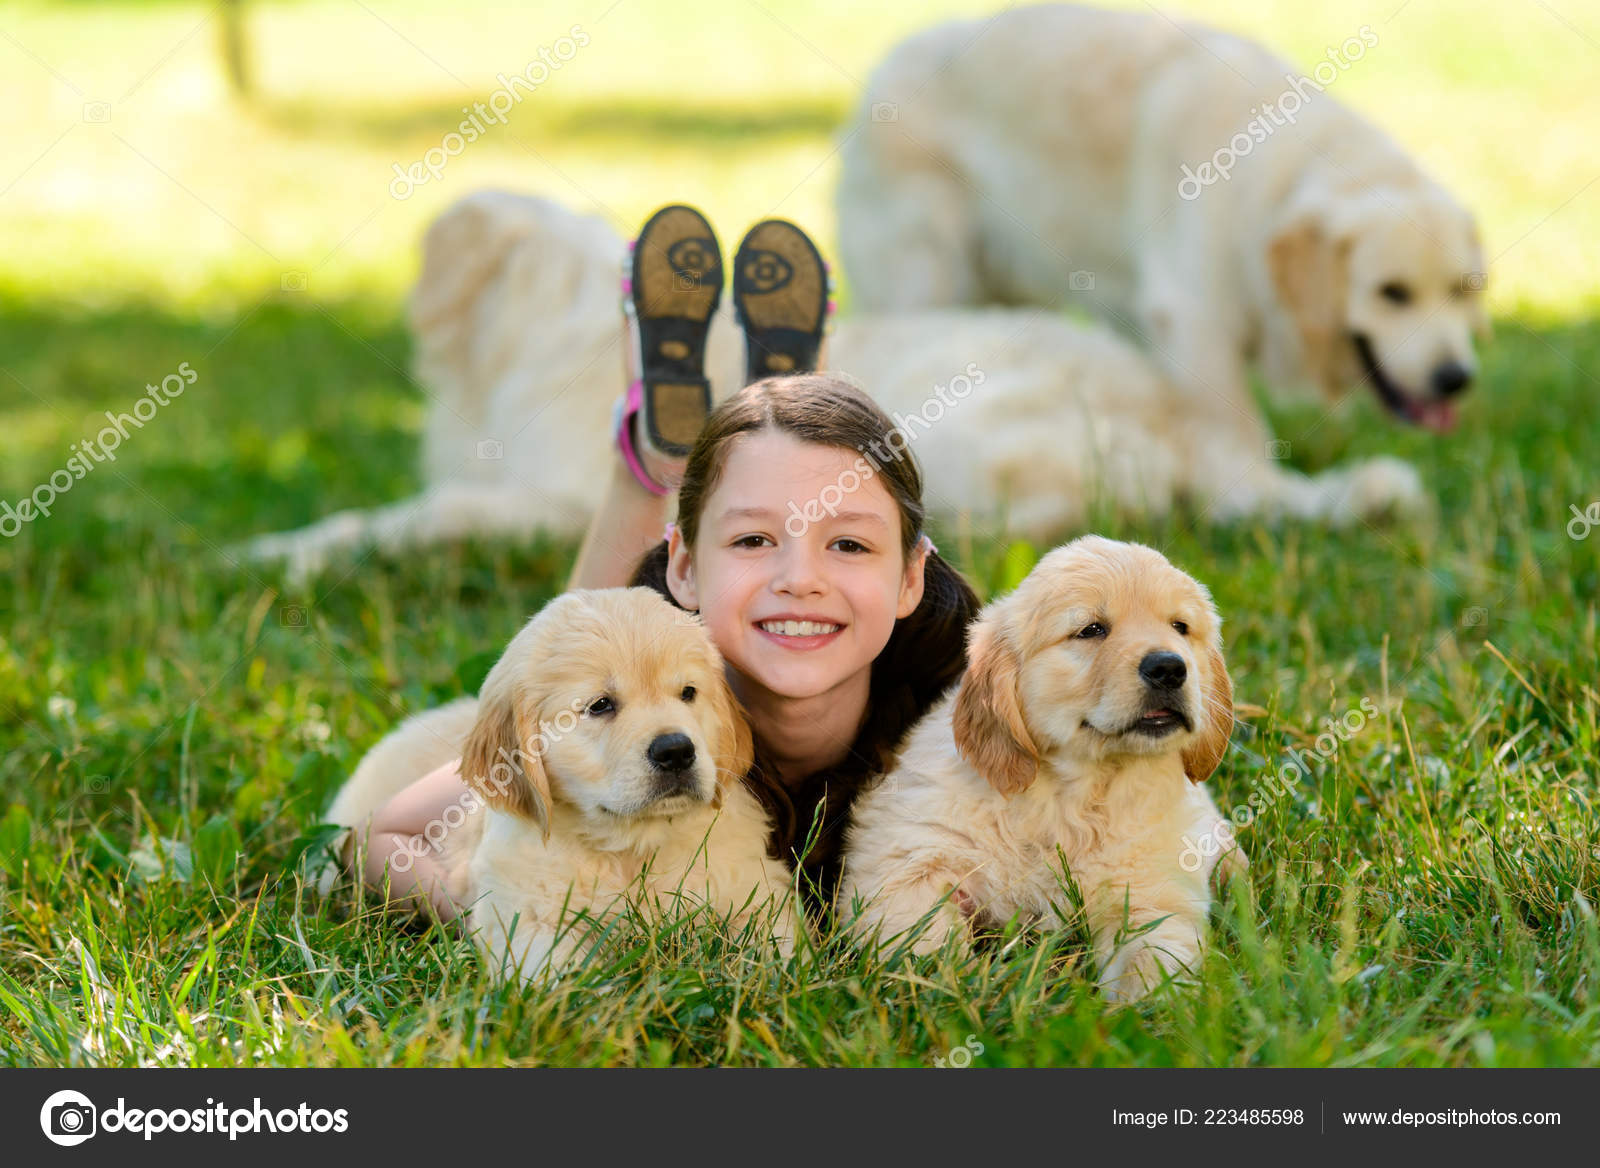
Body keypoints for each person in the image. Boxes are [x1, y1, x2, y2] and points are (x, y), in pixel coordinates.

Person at [348, 205, 981, 919]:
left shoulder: (964, 715)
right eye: (754, 541)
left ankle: (771, 420)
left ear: (909, 578)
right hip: (645, 654)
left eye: (849, 544)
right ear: (683, 570)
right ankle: (659, 459)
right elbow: (388, 835)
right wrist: (492, 898)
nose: (800, 579)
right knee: (583, 642)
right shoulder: (643, 695)